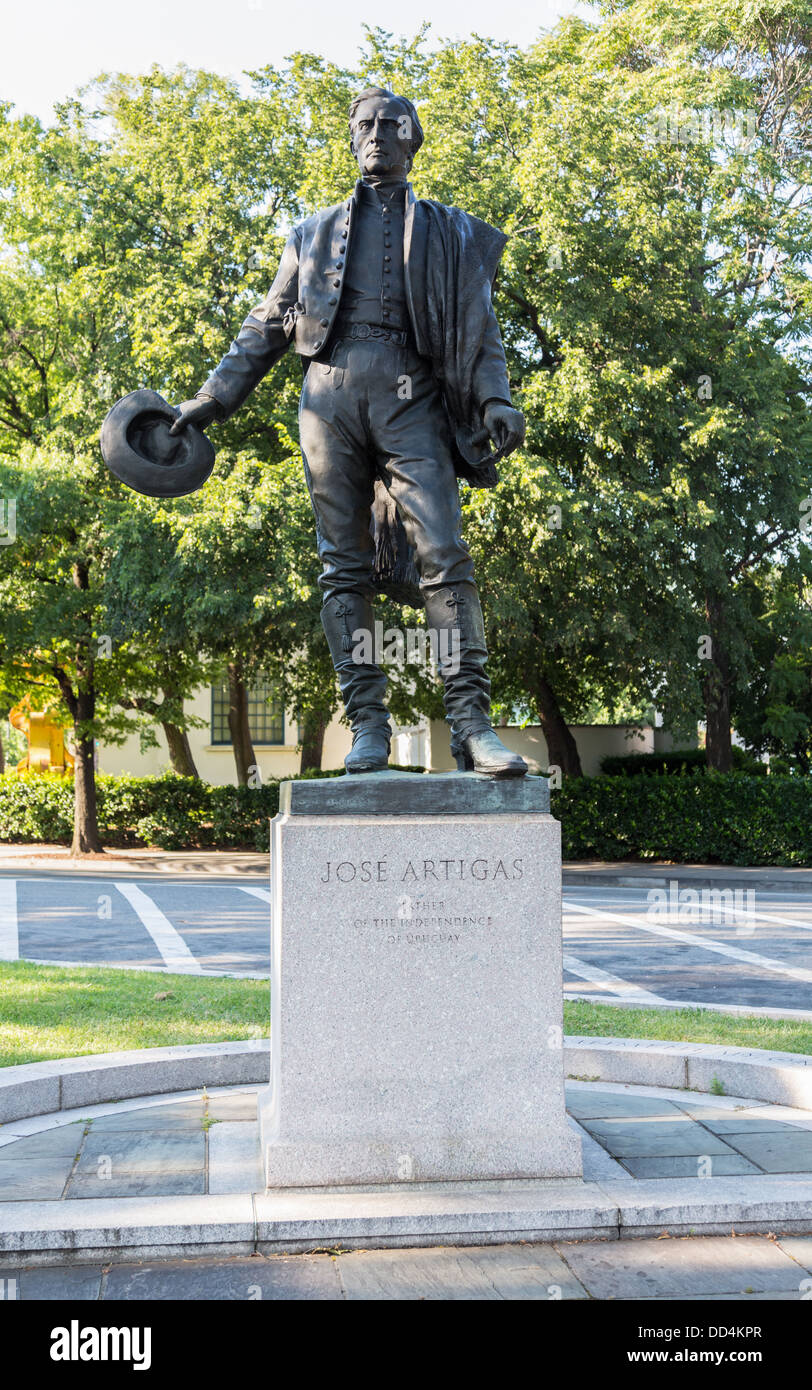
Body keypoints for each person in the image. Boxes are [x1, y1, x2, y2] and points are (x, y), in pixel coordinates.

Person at [171, 87, 528, 777]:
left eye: (392, 124)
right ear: (352, 138)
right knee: (343, 566)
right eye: (365, 125)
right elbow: (267, 327)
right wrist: (212, 400)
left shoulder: (453, 232)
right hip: (327, 398)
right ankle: (368, 725)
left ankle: (471, 724)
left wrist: (494, 399)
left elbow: (481, 330)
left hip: (411, 394)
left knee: (446, 553)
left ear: (413, 138)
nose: (377, 135)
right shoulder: (311, 232)